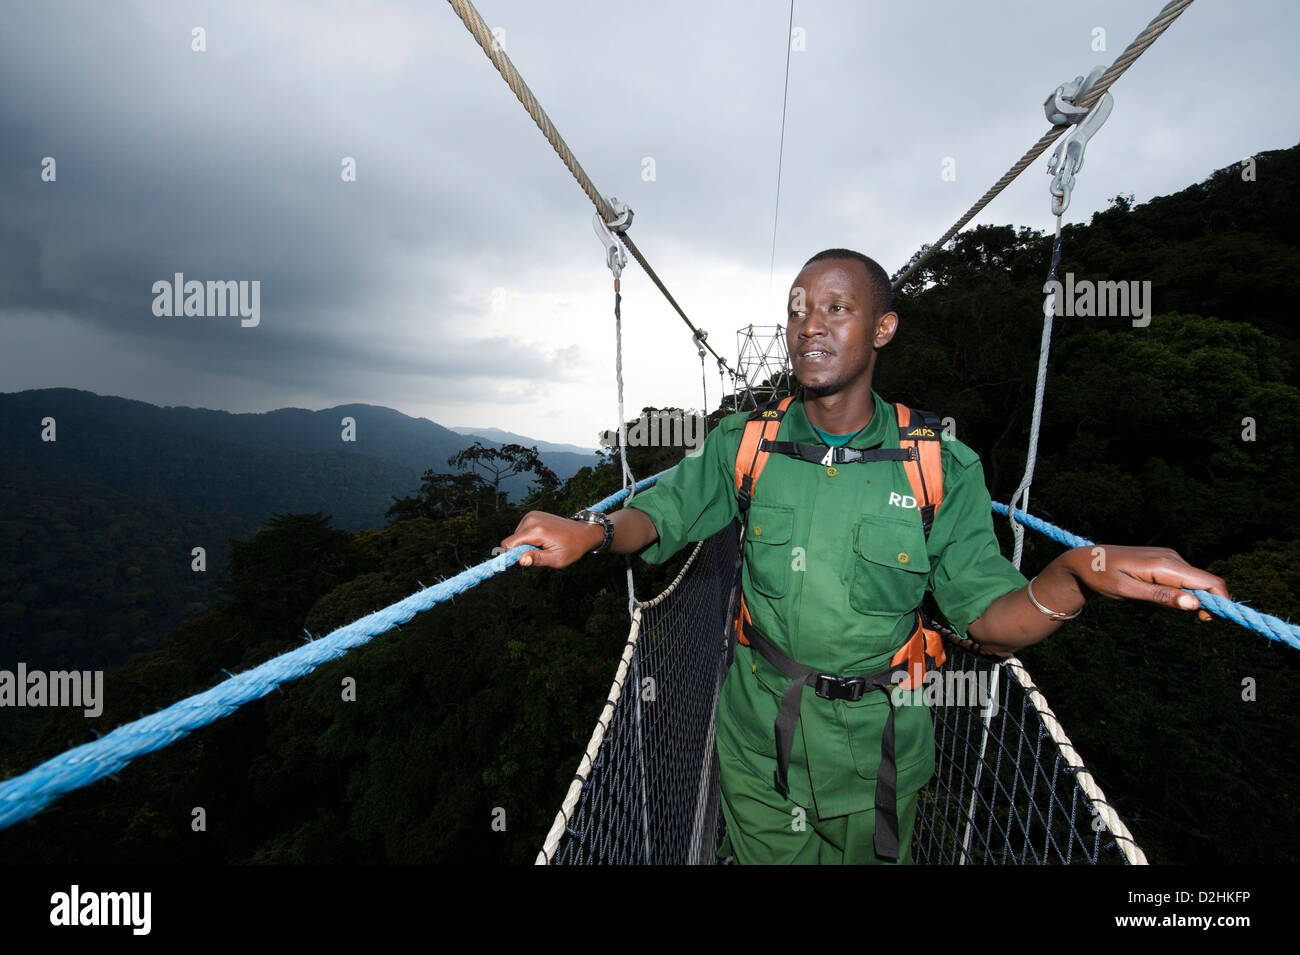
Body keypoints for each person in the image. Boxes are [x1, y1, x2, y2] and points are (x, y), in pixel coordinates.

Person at [501, 248, 1230, 865]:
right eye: (797, 308)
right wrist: (593, 529)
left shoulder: (939, 467)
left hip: (877, 757)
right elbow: (662, 514)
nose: (809, 326)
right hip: (758, 743)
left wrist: (1075, 575)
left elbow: (985, 620)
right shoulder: (745, 443)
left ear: (883, 328)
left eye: (837, 309)